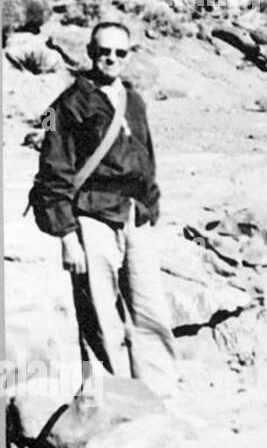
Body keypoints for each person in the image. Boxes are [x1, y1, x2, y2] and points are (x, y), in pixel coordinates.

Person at [29, 21, 179, 396]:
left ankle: (163, 397)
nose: (111, 59)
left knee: (152, 313)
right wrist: (66, 235)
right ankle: (115, 399)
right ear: (91, 53)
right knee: (100, 318)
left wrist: (150, 205)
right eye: (104, 51)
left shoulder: (135, 100)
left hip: (133, 214)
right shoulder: (66, 104)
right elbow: (52, 171)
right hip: (92, 218)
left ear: (128, 56)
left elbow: (147, 155)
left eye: (120, 53)